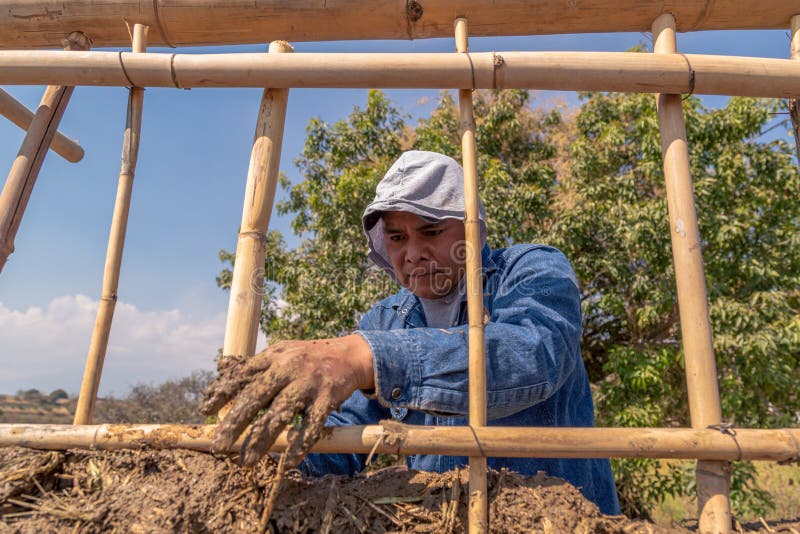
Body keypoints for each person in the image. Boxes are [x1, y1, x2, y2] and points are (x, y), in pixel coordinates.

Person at [201, 150, 620, 515]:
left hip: (559, 518)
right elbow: (347, 438)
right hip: (443, 518)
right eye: (397, 238)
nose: (413, 253)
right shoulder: (383, 322)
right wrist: (278, 461)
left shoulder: (532, 270)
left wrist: (368, 358)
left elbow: (533, 354)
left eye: (432, 231)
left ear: (472, 227)